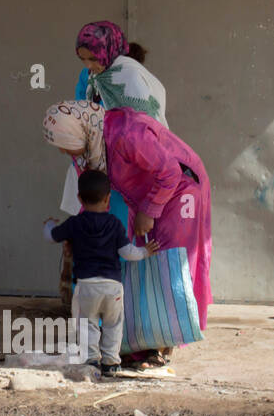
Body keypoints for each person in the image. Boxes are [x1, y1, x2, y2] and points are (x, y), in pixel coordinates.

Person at [42, 100, 212, 368]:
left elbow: (169, 172)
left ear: (80, 131)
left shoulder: (126, 135)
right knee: (146, 260)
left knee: (168, 263)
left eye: (65, 142)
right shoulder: (96, 144)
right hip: (150, 196)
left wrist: (149, 210)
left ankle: (160, 346)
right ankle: (143, 341)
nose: (64, 150)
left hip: (180, 191)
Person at [58, 21, 168, 306]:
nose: (89, 65)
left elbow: (148, 129)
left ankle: (127, 318)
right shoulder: (90, 77)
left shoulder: (132, 80)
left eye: (93, 59)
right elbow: (81, 115)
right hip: (97, 172)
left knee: (122, 241)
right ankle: (88, 311)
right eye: (83, 59)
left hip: (129, 176)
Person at [45, 169, 160, 376]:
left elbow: (51, 236)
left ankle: (91, 360)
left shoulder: (75, 223)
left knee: (87, 324)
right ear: (108, 199)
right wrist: (145, 252)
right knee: (113, 325)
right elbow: (128, 253)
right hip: (112, 287)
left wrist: (49, 224)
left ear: (79, 198)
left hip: (86, 286)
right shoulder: (115, 224)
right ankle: (111, 363)